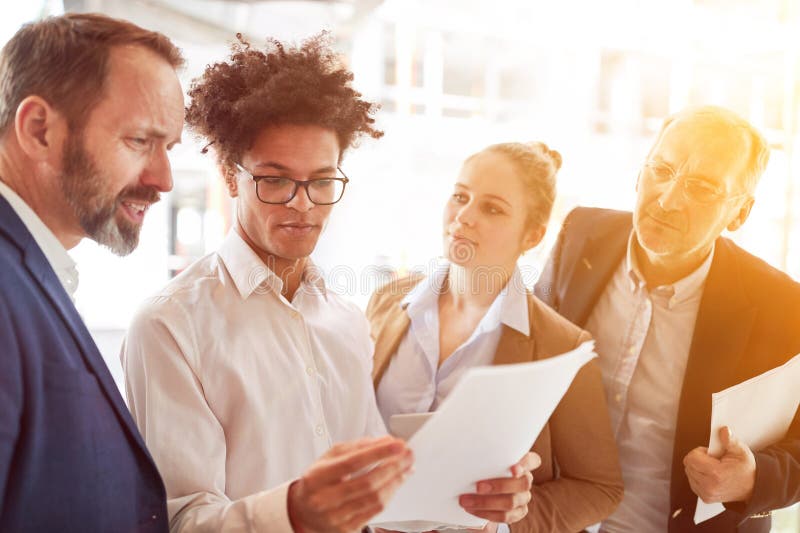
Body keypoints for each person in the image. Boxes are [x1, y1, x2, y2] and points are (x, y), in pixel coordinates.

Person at [121, 35, 537, 533]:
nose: (303, 204)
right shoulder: (170, 326)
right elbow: (179, 521)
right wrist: (295, 514)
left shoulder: (345, 319)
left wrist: (474, 507)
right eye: (275, 180)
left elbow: (379, 502)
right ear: (231, 178)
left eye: (321, 181)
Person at [534, 106, 800, 532]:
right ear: (640, 173)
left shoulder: (782, 305)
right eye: (661, 169)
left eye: (703, 188)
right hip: (556, 519)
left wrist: (754, 479)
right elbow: (529, 357)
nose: (669, 199)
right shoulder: (580, 234)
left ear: (740, 213)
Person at [367, 141, 624, 532]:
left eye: (492, 208)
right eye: (460, 196)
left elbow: (599, 487)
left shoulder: (562, 347)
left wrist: (507, 523)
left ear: (532, 236)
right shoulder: (387, 303)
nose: (464, 216)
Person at [0, 13, 184, 532]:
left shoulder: (31, 271)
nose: (164, 179)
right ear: (40, 130)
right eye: (140, 141)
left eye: (169, 147)